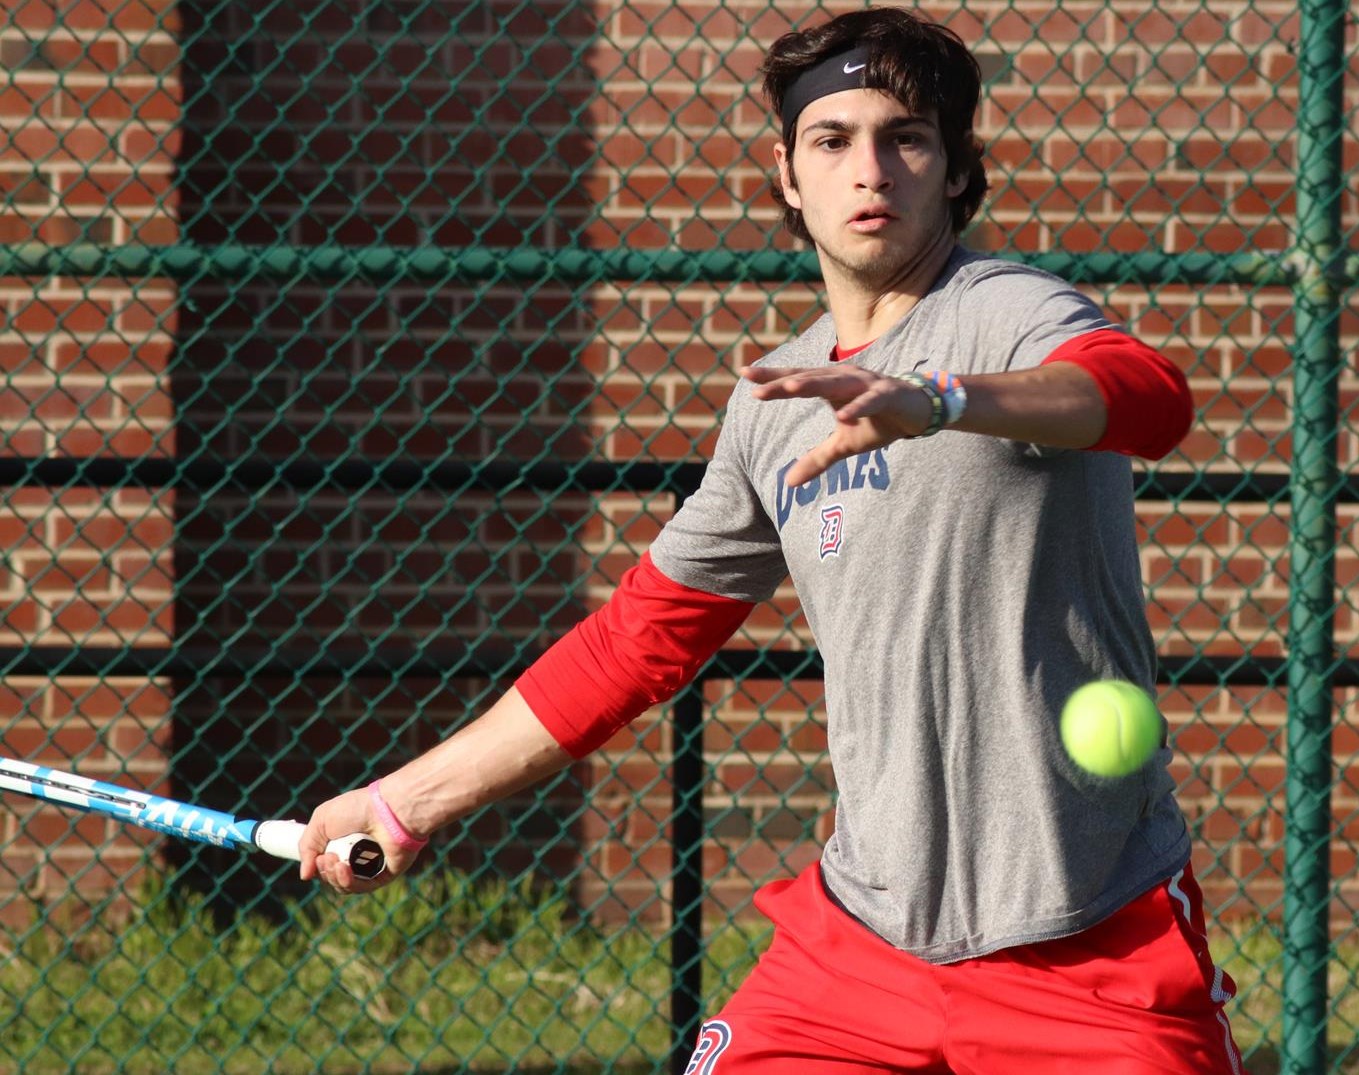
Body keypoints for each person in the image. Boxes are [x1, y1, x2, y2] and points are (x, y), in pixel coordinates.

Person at [300, 8, 1239, 1072]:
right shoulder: (777, 404)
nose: (869, 169)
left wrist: (937, 399)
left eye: (907, 138)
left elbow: (1148, 399)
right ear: (788, 173)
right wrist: (403, 802)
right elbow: (636, 643)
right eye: (832, 140)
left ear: (957, 168)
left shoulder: (1011, 313)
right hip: (862, 945)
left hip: (1089, 946)